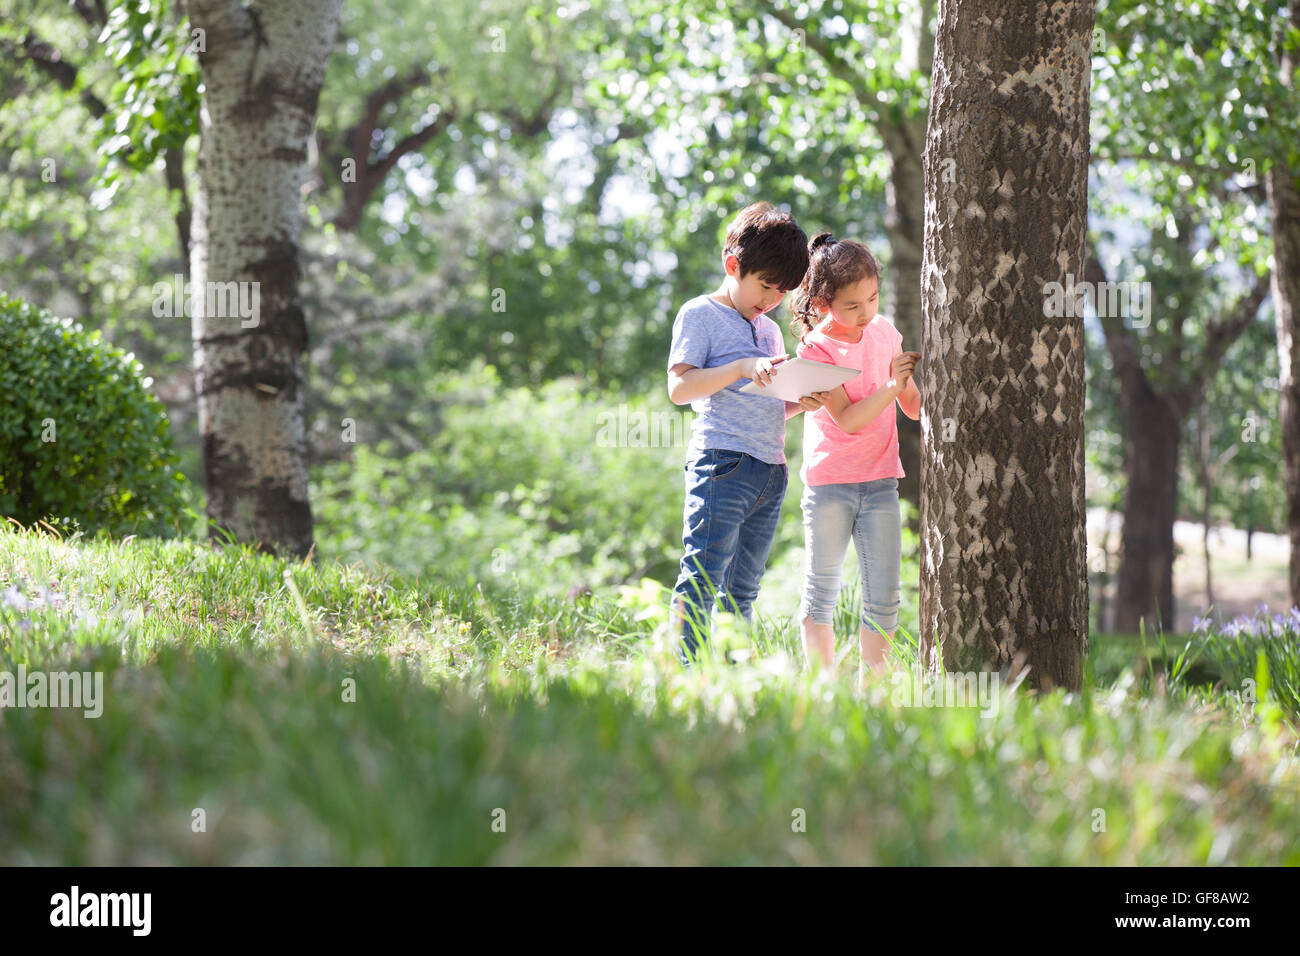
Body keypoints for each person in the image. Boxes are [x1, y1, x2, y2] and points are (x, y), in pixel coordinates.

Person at [665, 201, 823, 666]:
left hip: (770, 472)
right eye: (765, 286)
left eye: (782, 291)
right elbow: (678, 388)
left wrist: (800, 402)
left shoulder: (771, 332)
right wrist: (738, 367)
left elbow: (766, 405)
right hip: (722, 465)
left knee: (744, 590)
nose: (771, 299)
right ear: (733, 265)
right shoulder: (699, 314)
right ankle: (683, 675)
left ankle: (736, 678)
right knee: (701, 577)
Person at [789, 233, 921, 686]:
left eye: (872, 298)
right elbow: (847, 419)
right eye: (852, 306)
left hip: (882, 482)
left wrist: (910, 386)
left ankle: (877, 691)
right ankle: (822, 688)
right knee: (821, 591)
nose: (866, 313)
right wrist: (890, 386)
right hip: (830, 486)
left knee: (884, 598)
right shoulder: (815, 350)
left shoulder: (884, 332)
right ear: (824, 304)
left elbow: (912, 405)